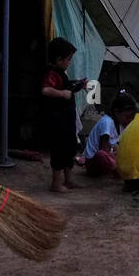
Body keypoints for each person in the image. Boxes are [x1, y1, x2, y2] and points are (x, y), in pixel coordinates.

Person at [41, 37, 82, 193]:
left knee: (69, 149)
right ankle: (56, 183)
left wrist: (78, 85)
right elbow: (45, 90)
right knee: (59, 151)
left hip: (67, 121)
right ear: (58, 59)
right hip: (57, 122)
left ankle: (69, 179)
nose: (69, 62)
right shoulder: (51, 74)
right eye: (68, 59)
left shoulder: (61, 74)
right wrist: (61, 94)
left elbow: (68, 88)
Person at [84, 93, 137, 177]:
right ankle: (120, 170)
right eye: (127, 116)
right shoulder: (107, 122)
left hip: (110, 159)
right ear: (116, 112)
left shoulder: (121, 124)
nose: (129, 120)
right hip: (94, 162)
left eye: (131, 117)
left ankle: (120, 169)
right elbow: (104, 149)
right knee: (102, 155)